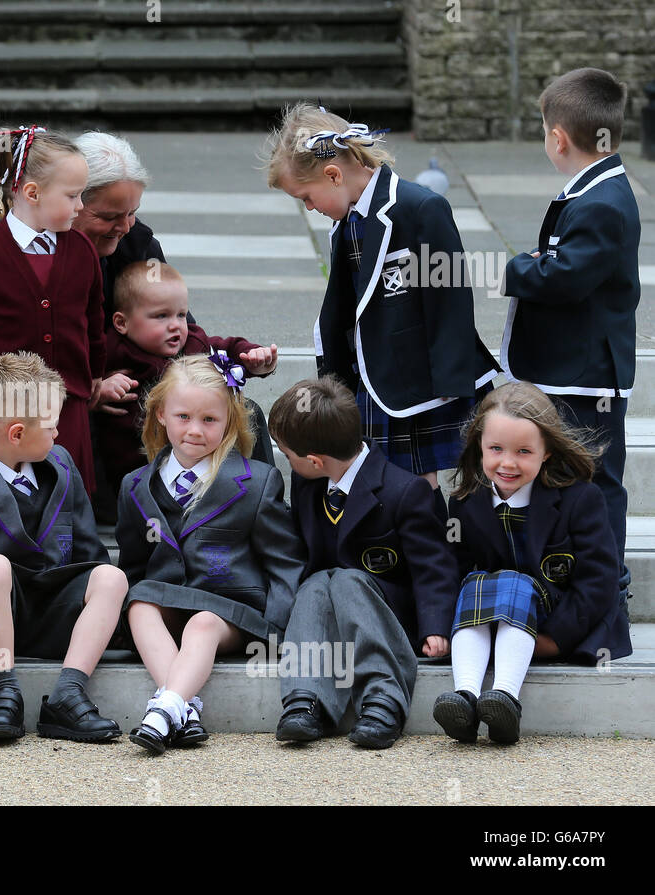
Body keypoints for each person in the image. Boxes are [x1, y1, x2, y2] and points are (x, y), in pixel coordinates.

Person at [264, 102, 498, 487]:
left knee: (420, 483)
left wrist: (450, 385)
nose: (309, 207)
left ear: (333, 174)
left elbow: (450, 300)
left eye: (306, 197)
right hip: (375, 379)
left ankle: (434, 545)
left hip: (424, 381)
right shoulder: (348, 221)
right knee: (384, 481)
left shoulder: (421, 208)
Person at [500, 67, 641, 610]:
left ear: (557, 137)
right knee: (577, 475)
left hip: (585, 375)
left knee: (598, 480)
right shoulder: (593, 189)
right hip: (574, 369)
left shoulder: (602, 201)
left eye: (542, 130)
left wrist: (514, 269)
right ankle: (570, 579)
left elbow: (566, 277)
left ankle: (609, 592)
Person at [0, 351, 125, 742]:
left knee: (110, 576)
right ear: (17, 433)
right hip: (0, 620)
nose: (58, 434)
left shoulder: (62, 463)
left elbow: (90, 552)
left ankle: (68, 694)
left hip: (60, 614)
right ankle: (5, 692)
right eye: (52, 426)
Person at [116, 356, 304, 754]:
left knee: (201, 623)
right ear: (161, 415)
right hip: (168, 607)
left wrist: (279, 629)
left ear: (230, 423)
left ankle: (165, 707)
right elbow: (133, 565)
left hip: (232, 611)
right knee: (139, 604)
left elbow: (284, 562)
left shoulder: (256, 482)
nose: (195, 431)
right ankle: (184, 708)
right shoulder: (134, 486)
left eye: (209, 420)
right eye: (183, 416)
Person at [435, 382, 632, 744]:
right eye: (496, 449)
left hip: (560, 616)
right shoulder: (465, 503)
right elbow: (452, 572)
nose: (507, 463)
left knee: (513, 583)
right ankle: (464, 698)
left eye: (524, 451)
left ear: (547, 453)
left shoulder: (581, 499)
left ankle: (506, 698)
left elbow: (598, 582)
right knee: (476, 581)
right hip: (490, 621)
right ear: (479, 446)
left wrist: (555, 640)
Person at [268, 377, 457, 749]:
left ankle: (383, 697)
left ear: (315, 460)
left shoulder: (404, 491)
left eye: (287, 455)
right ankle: (305, 698)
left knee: (346, 580)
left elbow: (433, 566)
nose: (287, 462)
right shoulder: (309, 484)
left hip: (388, 617)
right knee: (318, 581)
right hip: (328, 614)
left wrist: (436, 627)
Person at [0, 126, 105, 493]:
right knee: (2, 487)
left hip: (67, 397)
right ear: (32, 192)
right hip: (3, 401)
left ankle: (68, 549)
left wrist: (95, 375)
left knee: (66, 488)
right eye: (72, 195)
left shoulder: (82, 250)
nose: (81, 206)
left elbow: (93, 320)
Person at [94, 260, 278, 503]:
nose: (176, 326)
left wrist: (254, 359)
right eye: (161, 316)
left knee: (248, 412)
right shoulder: (109, 354)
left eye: (181, 314)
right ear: (122, 323)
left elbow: (228, 350)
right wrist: (96, 389)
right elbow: (73, 374)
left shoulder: (194, 344)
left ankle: (261, 495)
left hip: (198, 452)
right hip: (136, 467)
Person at [0, 131, 164, 321]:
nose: (125, 227)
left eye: (132, 213)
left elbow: (177, 321)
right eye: (108, 217)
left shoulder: (139, 246)